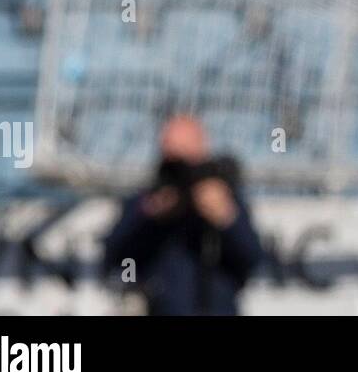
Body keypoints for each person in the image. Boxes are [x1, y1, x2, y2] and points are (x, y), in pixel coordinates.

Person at [102, 115, 263, 315]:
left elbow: (253, 258)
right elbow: (115, 254)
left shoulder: (224, 198)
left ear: (202, 151)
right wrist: (149, 214)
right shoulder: (148, 200)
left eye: (185, 156)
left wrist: (225, 217)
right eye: (171, 157)